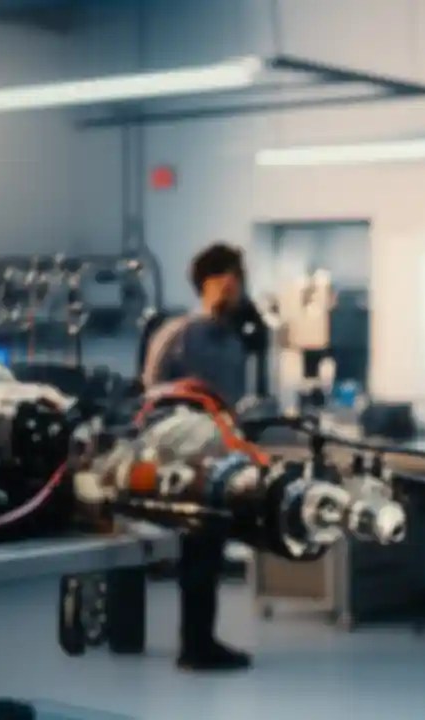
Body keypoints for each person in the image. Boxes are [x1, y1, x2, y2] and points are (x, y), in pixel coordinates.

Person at [143, 242, 252, 672]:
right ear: (211, 282)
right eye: (229, 276)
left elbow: (236, 401)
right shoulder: (178, 334)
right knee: (199, 548)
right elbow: (151, 393)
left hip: (222, 455)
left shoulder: (234, 343)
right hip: (183, 456)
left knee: (209, 549)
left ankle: (201, 640)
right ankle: (195, 646)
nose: (236, 286)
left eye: (238, 277)